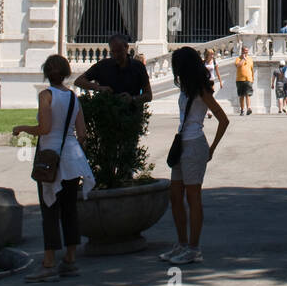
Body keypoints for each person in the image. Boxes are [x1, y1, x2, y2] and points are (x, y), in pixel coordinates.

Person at [13, 54, 93, 282]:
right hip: (71, 157)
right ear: (66, 73)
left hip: (50, 157)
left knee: (50, 210)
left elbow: (45, 128)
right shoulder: (72, 97)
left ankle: (49, 263)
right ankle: (70, 259)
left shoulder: (46, 95)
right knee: (69, 209)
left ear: (47, 73)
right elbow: (83, 133)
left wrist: (22, 128)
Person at [159, 46, 229, 265]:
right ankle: (181, 243)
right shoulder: (186, 88)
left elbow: (223, 119)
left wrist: (212, 148)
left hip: (195, 144)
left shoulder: (200, 89)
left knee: (193, 197)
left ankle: (193, 248)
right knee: (175, 196)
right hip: (182, 144)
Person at [73, 32, 153, 107]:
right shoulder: (103, 65)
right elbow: (78, 81)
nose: (116, 55)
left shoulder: (138, 66)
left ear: (127, 48)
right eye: (113, 52)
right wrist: (99, 88)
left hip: (131, 117)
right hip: (108, 115)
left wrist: (132, 99)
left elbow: (148, 95)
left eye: (119, 51)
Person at [235, 45, 254, 117]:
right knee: (241, 96)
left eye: (247, 51)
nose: (246, 52)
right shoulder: (238, 59)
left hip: (248, 79)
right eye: (245, 50)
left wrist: (252, 78)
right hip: (239, 79)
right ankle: (242, 109)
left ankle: (248, 108)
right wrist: (243, 59)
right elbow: (238, 66)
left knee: (248, 94)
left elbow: (252, 69)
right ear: (242, 51)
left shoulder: (250, 59)